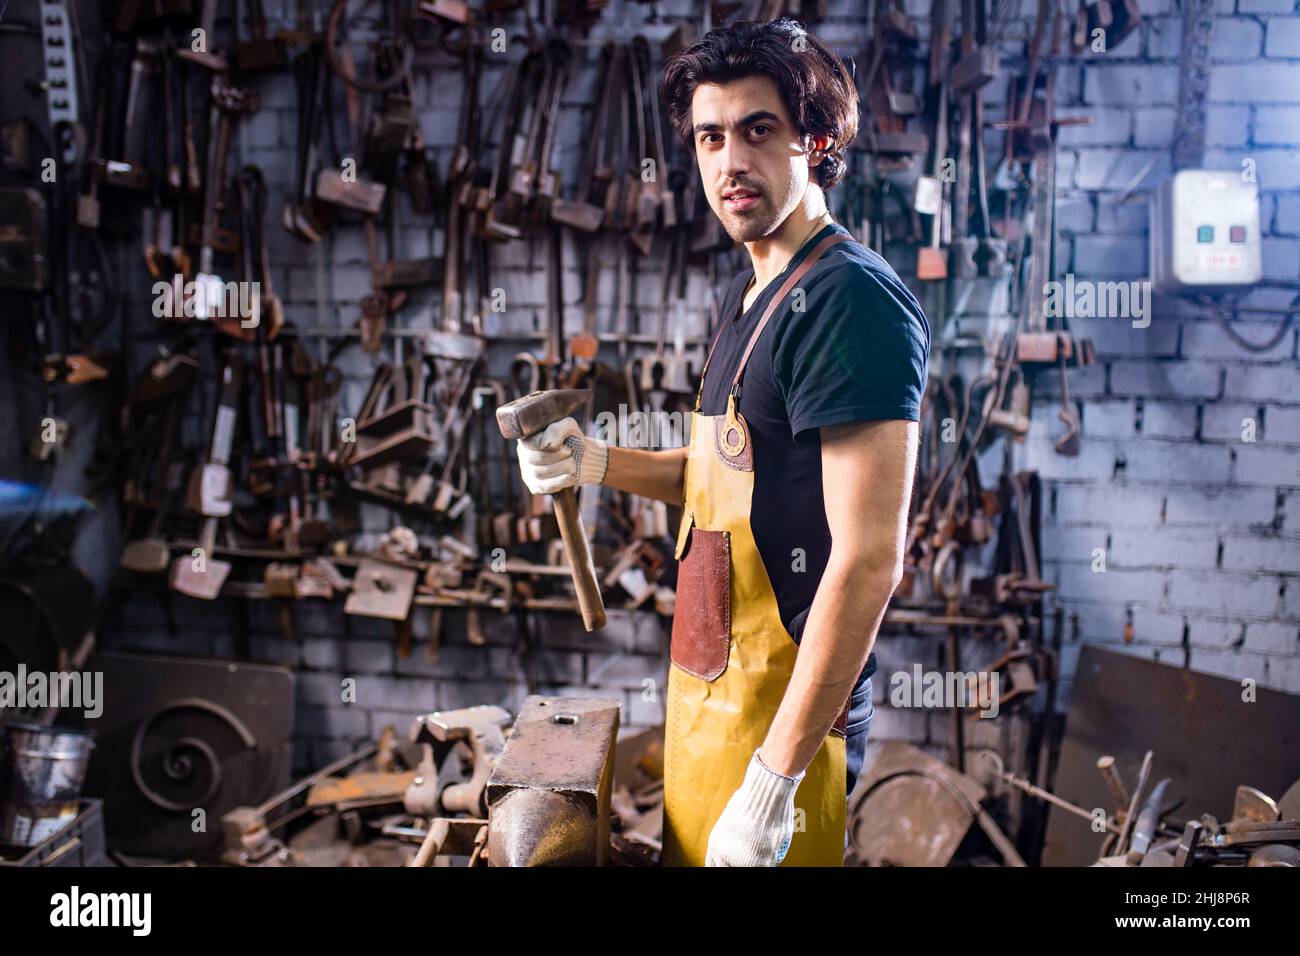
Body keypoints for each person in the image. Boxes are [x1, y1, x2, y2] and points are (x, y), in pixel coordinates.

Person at [515, 18, 930, 866]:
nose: (729, 161)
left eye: (758, 130)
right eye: (710, 137)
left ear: (815, 143)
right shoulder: (756, 293)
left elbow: (867, 560)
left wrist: (775, 781)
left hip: (784, 732)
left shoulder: (849, 302)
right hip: (711, 706)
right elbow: (722, 480)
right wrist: (592, 461)